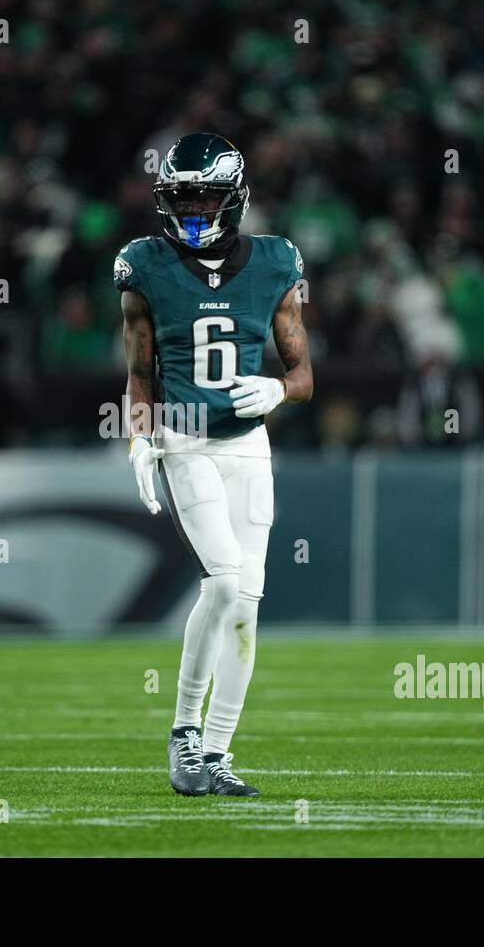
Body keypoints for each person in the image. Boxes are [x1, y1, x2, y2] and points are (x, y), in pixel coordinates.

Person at [116, 134, 313, 797]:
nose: (196, 208)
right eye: (184, 196)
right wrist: (139, 438)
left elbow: (304, 373)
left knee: (247, 606)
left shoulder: (276, 261)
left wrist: (281, 390)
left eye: (206, 195)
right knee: (224, 584)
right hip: (186, 440)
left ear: (234, 198)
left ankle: (218, 755)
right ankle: (183, 735)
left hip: (247, 446)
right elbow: (140, 372)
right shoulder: (144, 264)